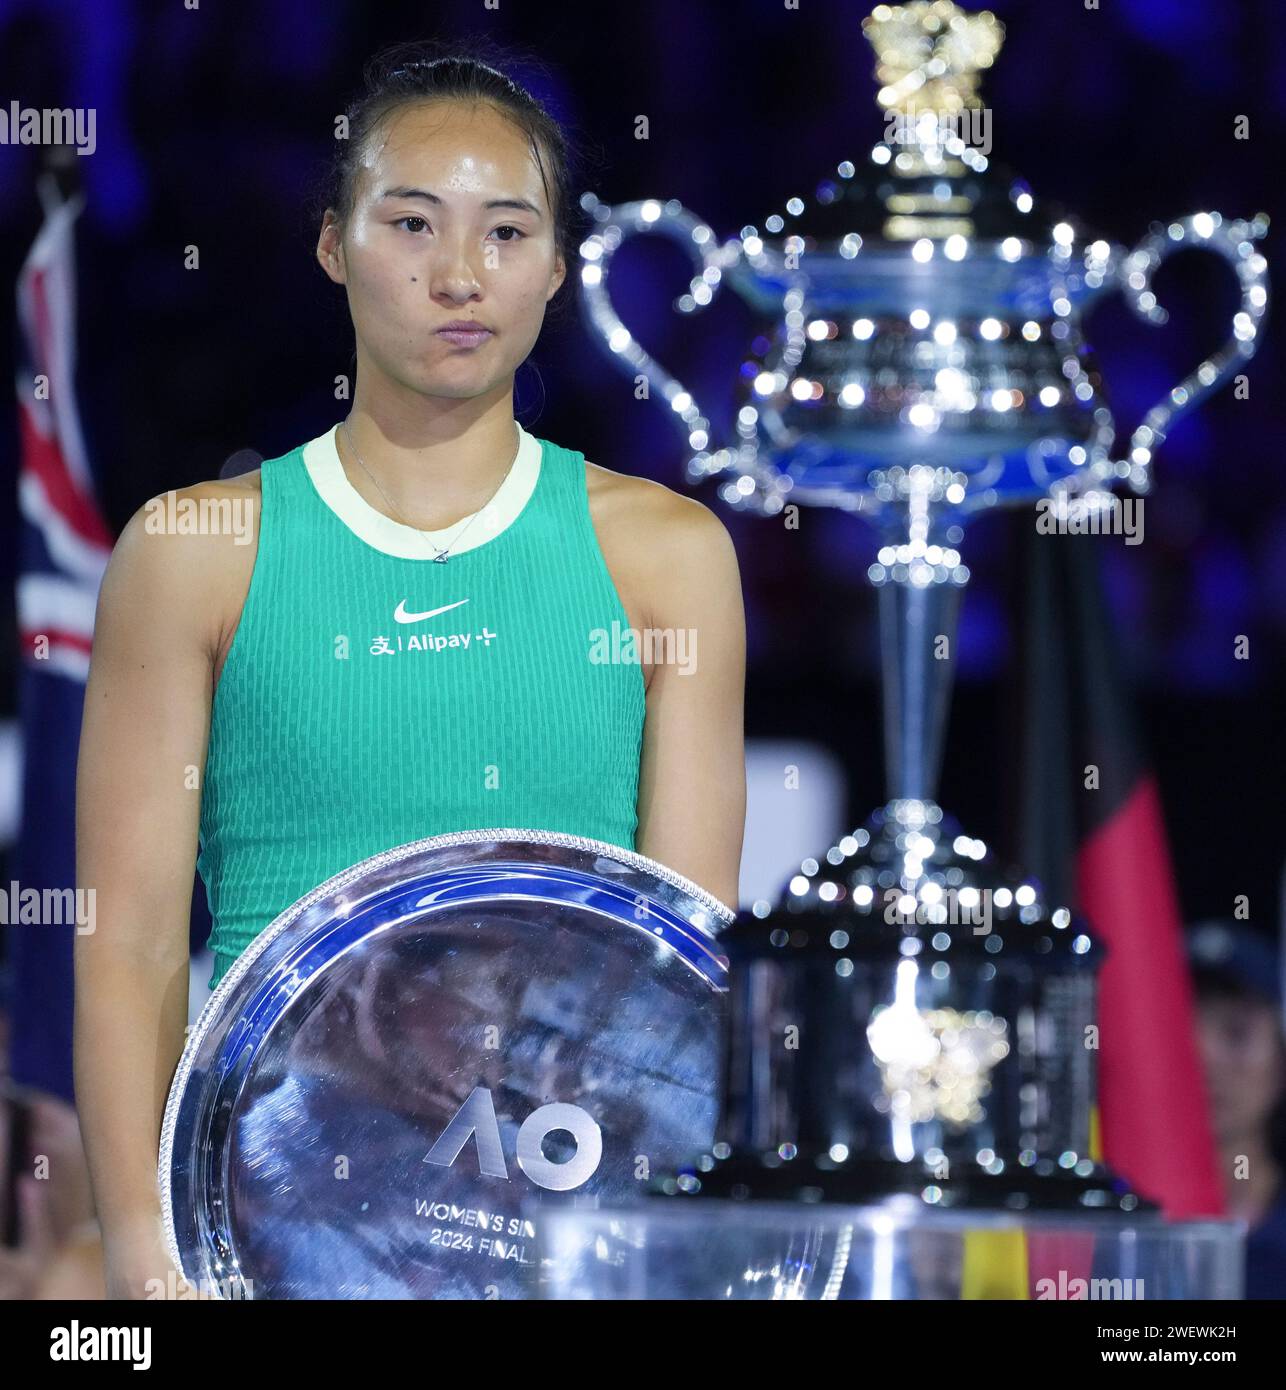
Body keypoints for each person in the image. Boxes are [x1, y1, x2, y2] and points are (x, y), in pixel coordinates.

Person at [74, 39, 746, 1300]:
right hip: (269, 1225)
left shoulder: (667, 556)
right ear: (332, 242)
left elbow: (670, 980)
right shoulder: (195, 552)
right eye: (411, 223)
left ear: (557, 265)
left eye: (504, 233)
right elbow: (130, 948)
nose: (458, 275)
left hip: (560, 1239)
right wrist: (142, 1253)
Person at [1188, 920, 1286, 1299]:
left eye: (1236, 1033)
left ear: (1280, 1059)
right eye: (1181, 1034)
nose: (1205, 1061)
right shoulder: (1121, 1234)